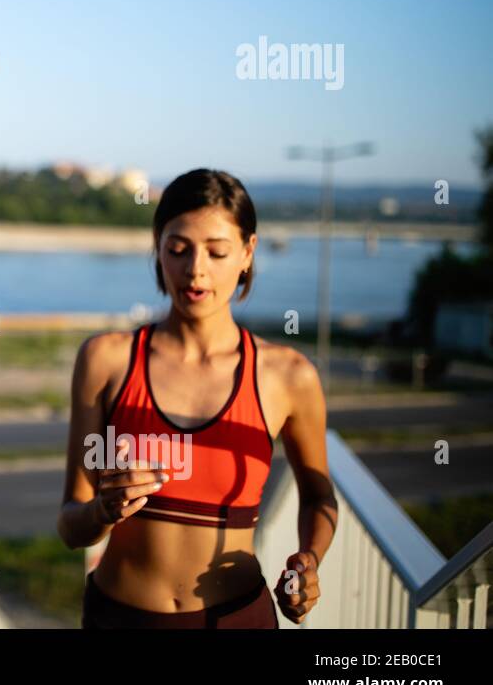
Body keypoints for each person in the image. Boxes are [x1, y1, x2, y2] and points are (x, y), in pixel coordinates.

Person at [58, 168, 338, 628]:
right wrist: (102, 511)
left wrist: (310, 560)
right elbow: (70, 526)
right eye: (178, 249)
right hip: (117, 617)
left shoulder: (288, 376)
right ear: (157, 246)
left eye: (217, 251)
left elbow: (317, 494)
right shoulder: (105, 359)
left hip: (235, 618)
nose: (195, 270)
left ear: (248, 252)